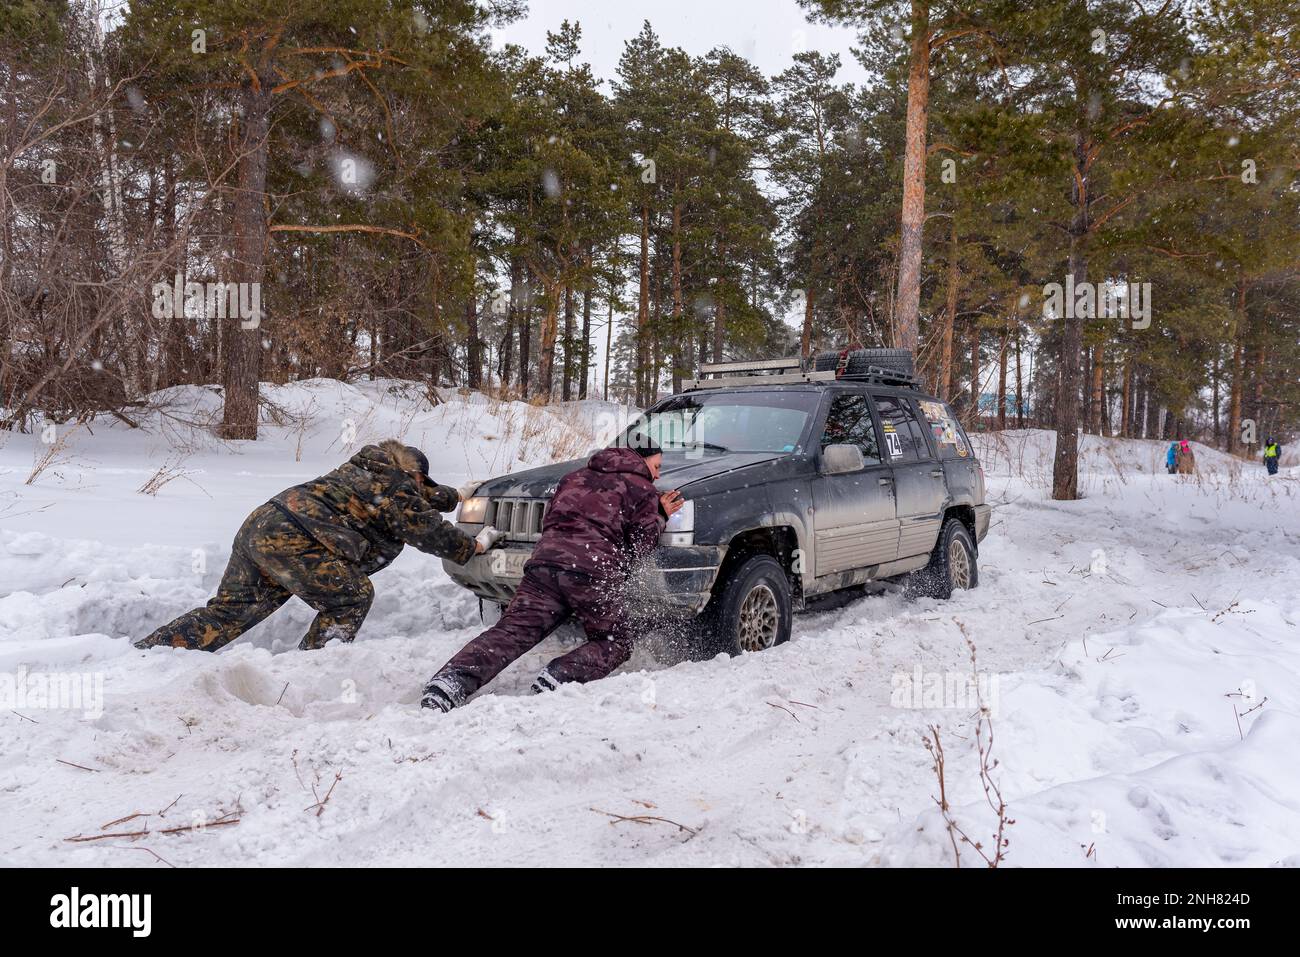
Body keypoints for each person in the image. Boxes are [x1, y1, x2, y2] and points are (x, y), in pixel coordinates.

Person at [136, 440, 504, 652]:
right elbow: (425, 530)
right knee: (351, 597)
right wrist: (471, 547)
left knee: (228, 613)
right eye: (421, 483)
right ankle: (314, 666)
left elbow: (410, 498)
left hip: (261, 527)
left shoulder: (366, 469)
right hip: (297, 540)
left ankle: (151, 654)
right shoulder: (395, 486)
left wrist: (455, 495)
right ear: (414, 474)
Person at [421, 433, 685, 712]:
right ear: (639, 460)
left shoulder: (573, 477)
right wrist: (660, 515)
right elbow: (639, 544)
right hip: (592, 574)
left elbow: (551, 520)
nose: (657, 476)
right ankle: (558, 677)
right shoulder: (641, 488)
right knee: (615, 641)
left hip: (544, 567)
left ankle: (448, 683)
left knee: (513, 631)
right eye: (656, 467)